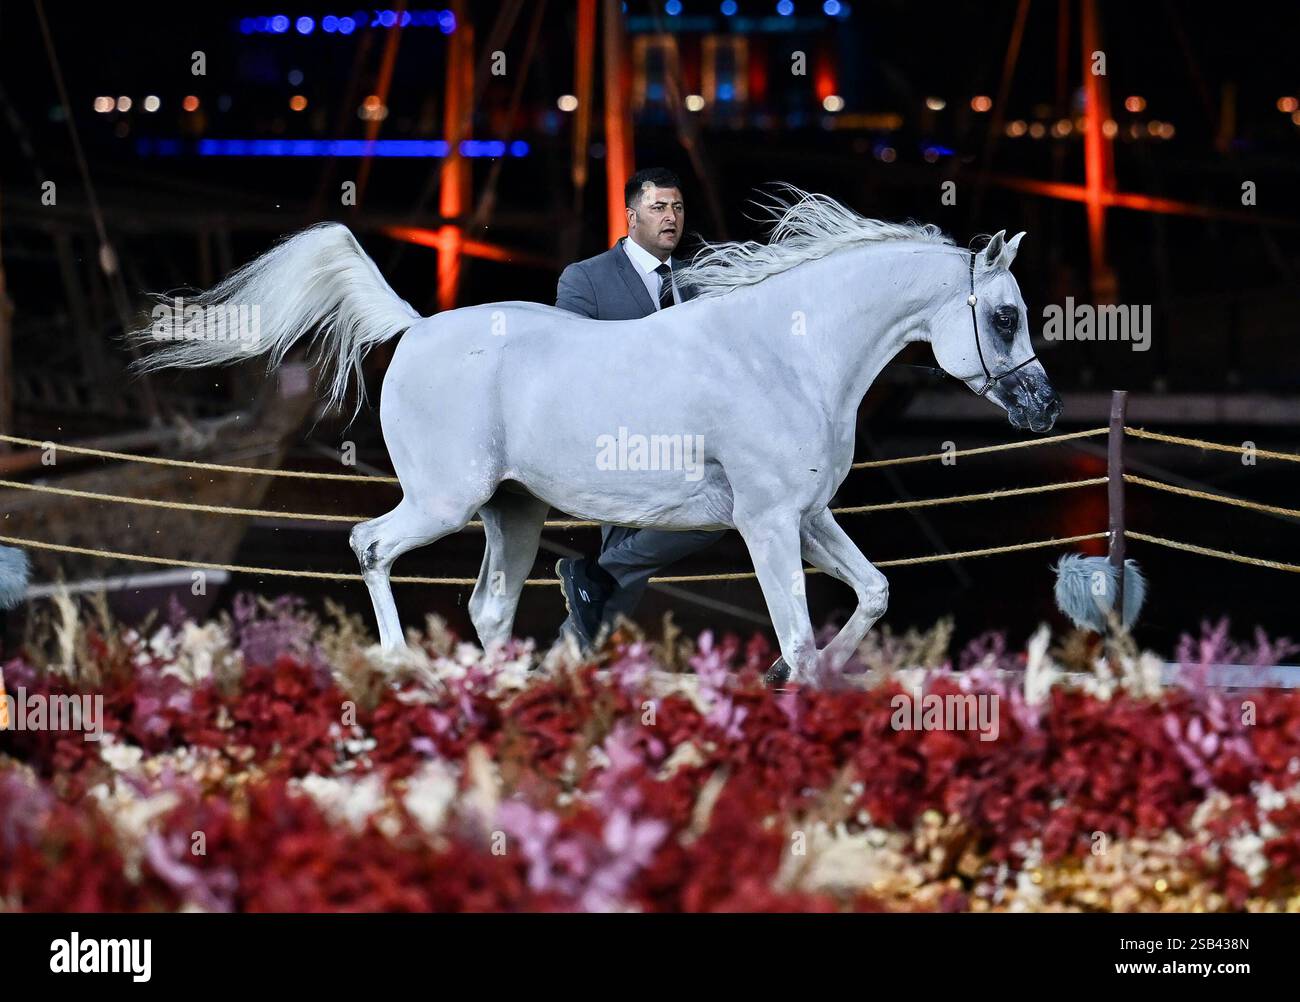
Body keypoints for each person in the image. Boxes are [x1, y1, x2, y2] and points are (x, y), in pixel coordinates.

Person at [553, 167, 725, 649]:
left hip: (689, 442)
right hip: (619, 442)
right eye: (658, 208)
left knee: (714, 512)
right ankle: (573, 661)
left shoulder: (699, 284)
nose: (672, 218)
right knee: (712, 512)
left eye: (677, 208)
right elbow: (567, 366)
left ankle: (574, 646)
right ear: (631, 217)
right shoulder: (585, 278)